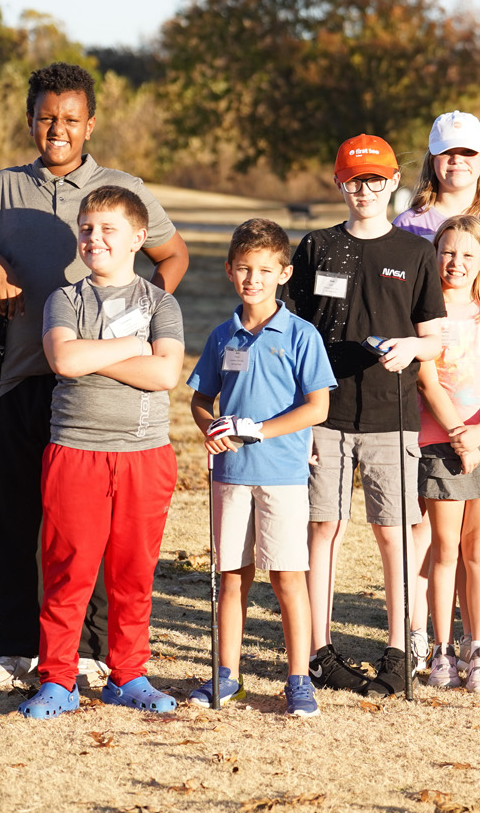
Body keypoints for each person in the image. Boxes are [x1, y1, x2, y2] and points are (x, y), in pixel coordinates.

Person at [0, 62, 190, 689]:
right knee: (16, 511)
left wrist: (145, 316)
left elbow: (172, 255)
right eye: (47, 117)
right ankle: (17, 644)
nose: (57, 129)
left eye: (70, 119)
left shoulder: (122, 188)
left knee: (96, 529)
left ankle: (94, 648)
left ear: (90, 123)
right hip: (17, 374)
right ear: (30, 119)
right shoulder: (4, 187)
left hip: (100, 388)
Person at [285, 134, 445, 698]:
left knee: (394, 533)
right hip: (323, 415)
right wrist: (298, 419)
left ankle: (401, 649)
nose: (366, 190)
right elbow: (292, 335)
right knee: (323, 527)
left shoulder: (415, 253)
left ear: (394, 182)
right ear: (338, 183)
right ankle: (317, 651)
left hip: (392, 414)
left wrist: (410, 349)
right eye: (355, 180)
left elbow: (433, 339)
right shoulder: (317, 247)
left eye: (376, 179)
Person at [16, 186, 184, 719]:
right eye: (86, 229)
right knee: (69, 570)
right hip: (76, 451)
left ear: (139, 237)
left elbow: (165, 373)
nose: (94, 239)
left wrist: (93, 356)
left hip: (144, 455)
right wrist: (132, 347)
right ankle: (58, 679)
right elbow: (63, 362)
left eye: (108, 229)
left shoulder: (162, 303)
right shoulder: (64, 299)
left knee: (133, 573)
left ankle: (128, 675)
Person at [186, 218, 336, 718]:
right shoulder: (221, 335)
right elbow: (201, 399)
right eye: (245, 269)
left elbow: (317, 408)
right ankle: (227, 676)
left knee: (288, 579)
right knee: (232, 578)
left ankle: (298, 678)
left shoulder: (300, 334)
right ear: (230, 271)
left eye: (265, 270)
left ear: (284, 273)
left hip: (283, 476)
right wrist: (210, 425)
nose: (254, 279)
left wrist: (258, 430)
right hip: (230, 475)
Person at [416, 215, 480, 694]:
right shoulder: (425, 311)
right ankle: (441, 651)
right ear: (436, 255)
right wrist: (458, 433)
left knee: (479, 549)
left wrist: (479, 433)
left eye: (467, 255)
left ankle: (479, 649)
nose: (456, 263)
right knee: (445, 549)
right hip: (441, 442)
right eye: (448, 252)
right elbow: (426, 379)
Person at [393, 110, 480, 305]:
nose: (457, 159)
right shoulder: (407, 225)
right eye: (446, 152)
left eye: (468, 152)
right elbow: (395, 296)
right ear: (432, 160)